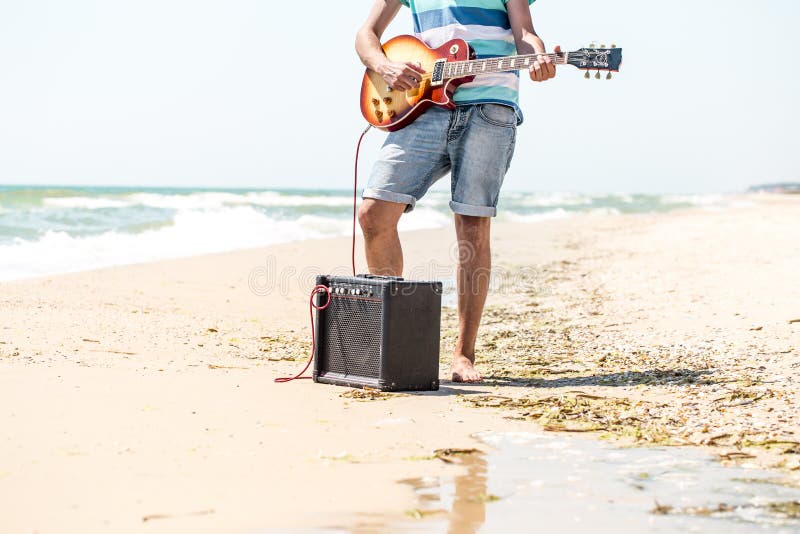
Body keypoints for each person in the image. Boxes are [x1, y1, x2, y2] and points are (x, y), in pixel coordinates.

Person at [355, 0, 557, 383]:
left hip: (490, 107)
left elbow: (525, 33)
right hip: (421, 106)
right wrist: (383, 66)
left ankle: (463, 355)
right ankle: (395, 337)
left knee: (472, 227)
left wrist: (538, 57)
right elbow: (366, 35)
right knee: (373, 214)